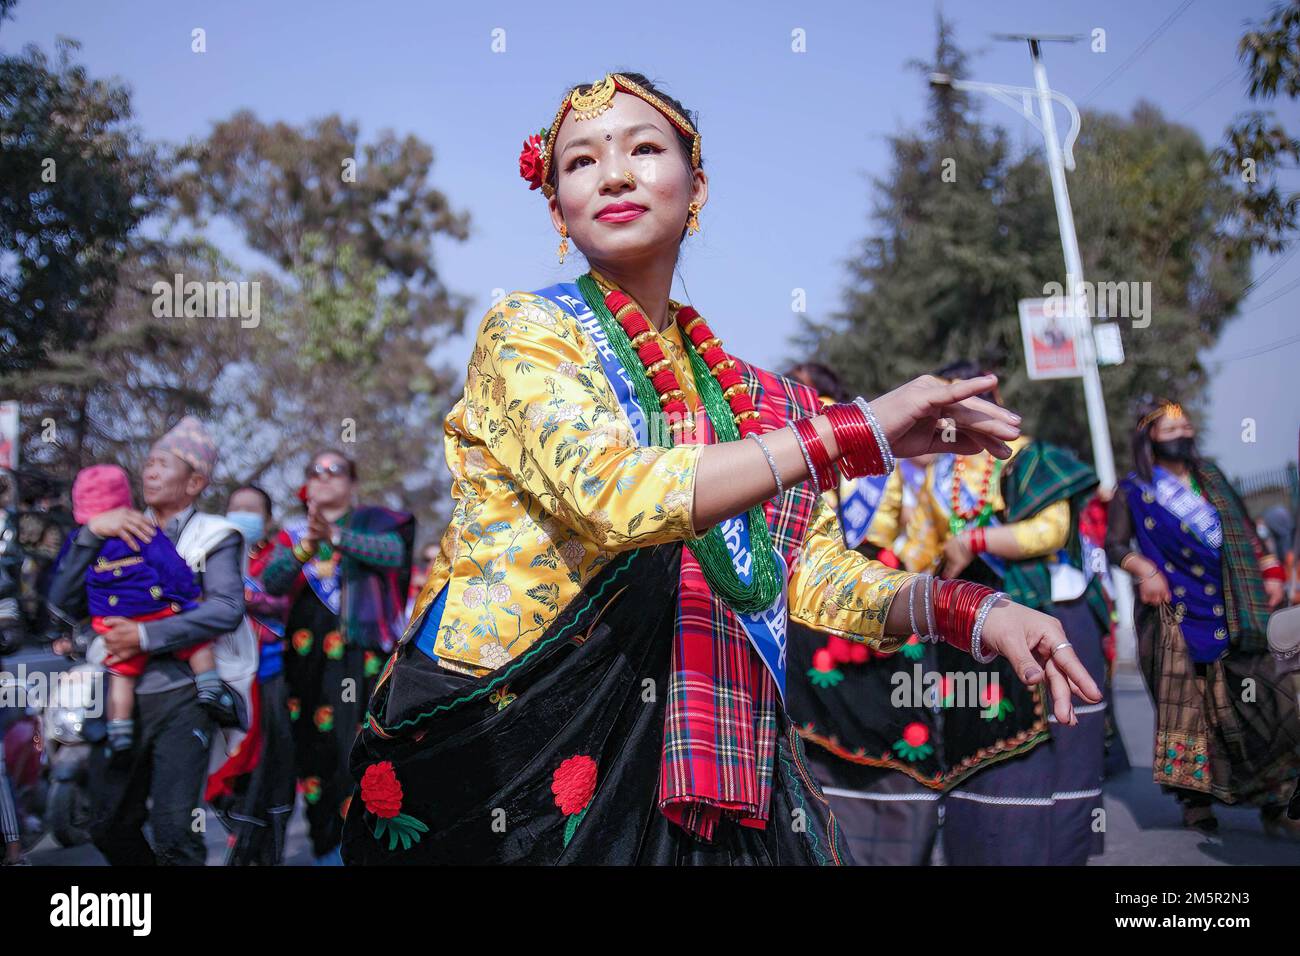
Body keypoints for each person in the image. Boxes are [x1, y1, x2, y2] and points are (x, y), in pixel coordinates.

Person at [340, 71, 1100, 865]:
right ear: (557, 204)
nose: (616, 174)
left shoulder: (756, 400)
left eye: (643, 148)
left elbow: (807, 576)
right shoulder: (529, 334)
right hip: (521, 741)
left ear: (695, 185)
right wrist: (853, 430)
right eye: (580, 162)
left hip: (694, 744)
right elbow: (611, 493)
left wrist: (975, 612)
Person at [889, 361, 1111, 865]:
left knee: (1063, 744)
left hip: (1049, 612)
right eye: (943, 407)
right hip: (974, 627)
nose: (951, 417)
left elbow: (1049, 532)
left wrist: (977, 540)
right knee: (985, 744)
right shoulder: (937, 472)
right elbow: (923, 549)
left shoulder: (1032, 457)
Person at [48, 416, 248, 865]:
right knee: (106, 823)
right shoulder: (113, 530)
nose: (149, 472)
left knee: (175, 832)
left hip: (181, 697)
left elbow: (225, 609)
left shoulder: (212, 536)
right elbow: (60, 606)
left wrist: (144, 633)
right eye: (148, 464)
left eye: (162, 464)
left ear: (195, 481)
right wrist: (89, 534)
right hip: (118, 694)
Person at [1105, 399, 1300, 837]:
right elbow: (1114, 546)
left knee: (1262, 704)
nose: (1182, 433)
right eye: (1171, 428)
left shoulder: (1210, 478)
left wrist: (1268, 571)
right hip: (1173, 615)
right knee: (1187, 712)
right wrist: (1145, 569)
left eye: (1186, 426)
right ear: (1148, 436)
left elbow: (1247, 530)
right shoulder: (1134, 490)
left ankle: (1277, 803)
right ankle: (1196, 803)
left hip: (1232, 608)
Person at [261, 450, 414, 865]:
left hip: (363, 664)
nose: (324, 477)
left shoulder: (379, 524)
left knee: (364, 760)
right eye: (316, 471)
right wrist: (306, 548)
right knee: (316, 762)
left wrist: (337, 536)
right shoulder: (294, 535)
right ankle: (327, 851)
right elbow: (271, 583)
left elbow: (394, 555)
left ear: (352, 483)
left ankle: (373, 853)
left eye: (335, 471)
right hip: (307, 669)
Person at [70, 465, 226, 757]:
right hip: (155, 609)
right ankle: (209, 686)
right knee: (196, 640)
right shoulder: (142, 530)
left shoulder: (84, 538)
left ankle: (119, 728)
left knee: (120, 674)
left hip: (110, 620)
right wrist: (188, 593)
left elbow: (66, 579)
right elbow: (171, 566)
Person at [208, 484, 296, 865]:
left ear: (268, 519)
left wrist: (244, 596)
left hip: (270, 677)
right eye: (236, 507)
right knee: (224, 768)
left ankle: (258, 852)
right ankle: (240, 840)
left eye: (252, 509)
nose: (242, 514)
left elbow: (285, 602)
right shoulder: (213, 554)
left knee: (268, 768)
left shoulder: (281, 556)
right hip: (221, 677)